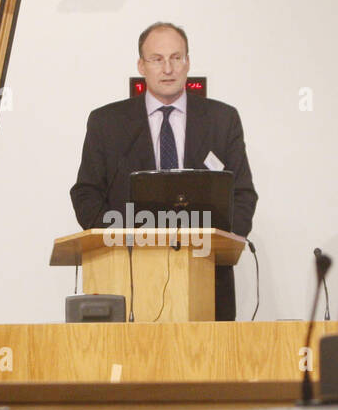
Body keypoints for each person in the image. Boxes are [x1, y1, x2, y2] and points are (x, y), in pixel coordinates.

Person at [70, 22, 258, 320]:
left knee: (208, 367)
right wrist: (123, 242)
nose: (167, 68)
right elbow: (86, 194)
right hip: (128, 281)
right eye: (157, 59)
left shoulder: (222, 120)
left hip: (207, 279)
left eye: (176, 57)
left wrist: (218, 244)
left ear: (188, 63)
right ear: (141, 66)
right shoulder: (107, 123)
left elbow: (243, 195)